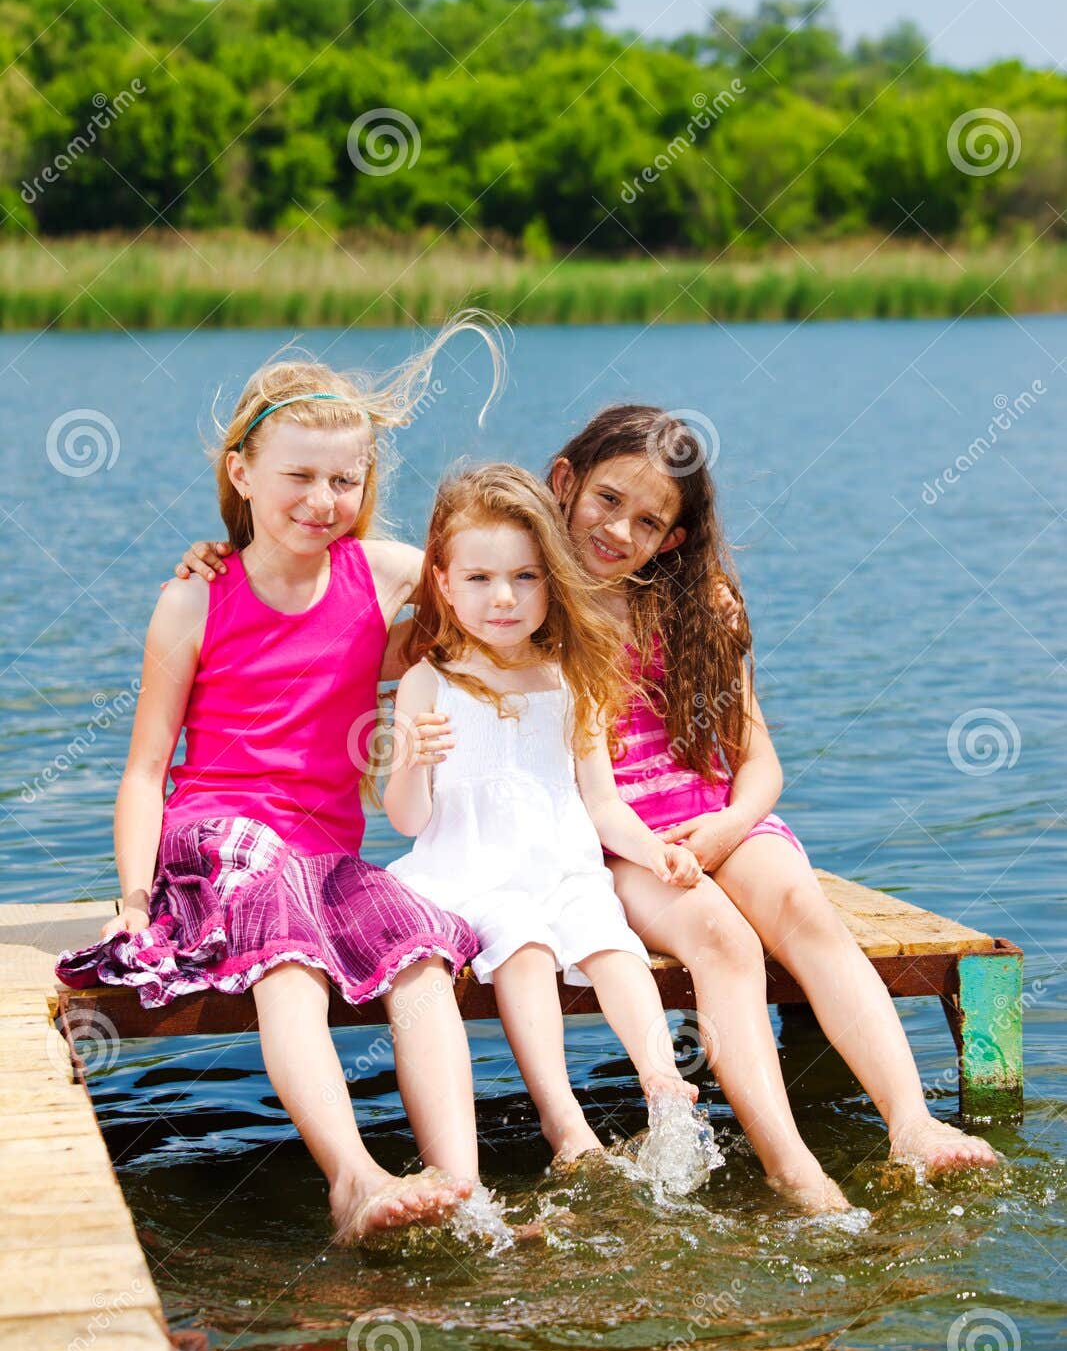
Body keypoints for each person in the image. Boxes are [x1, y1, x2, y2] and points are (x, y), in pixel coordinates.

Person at [56, 319, 510, 1244]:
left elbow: (502, 578)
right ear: (242, 474)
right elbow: (146, 772)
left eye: (344, 479)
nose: (322, 499)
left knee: (420, 947)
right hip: (216, 834)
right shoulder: (195, 598)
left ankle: (464, 1193)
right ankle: (352, 1180)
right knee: (290, 951)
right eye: (297, 476)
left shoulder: (380, 575)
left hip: (321, 854)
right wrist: (136, 900)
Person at [545, 404, 998, 1175]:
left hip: (716, 821)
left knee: (803, 912)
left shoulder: (691, 612)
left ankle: (912, 1125)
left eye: (648, 521)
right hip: (614, 843)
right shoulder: (523, 598)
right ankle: (794, 1167)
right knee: (721, 940)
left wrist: (729, 828)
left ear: (673, 539)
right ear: (564, 482)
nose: (619, 530)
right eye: (608, 499)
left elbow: (758, 765)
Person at [384, 464, 704, 1165]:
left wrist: (654, 852)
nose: (503, 598)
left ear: (551, 580)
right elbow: (407, 821)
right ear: (442, 581)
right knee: (524, 947)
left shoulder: (569, 676)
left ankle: (659, 1078)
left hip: (561, 865)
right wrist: (407, 757)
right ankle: (564, 1122)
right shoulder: (427, 682)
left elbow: (601, 802)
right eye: (478, 579)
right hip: (472, 877)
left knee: (610, 941)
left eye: (526, 577)